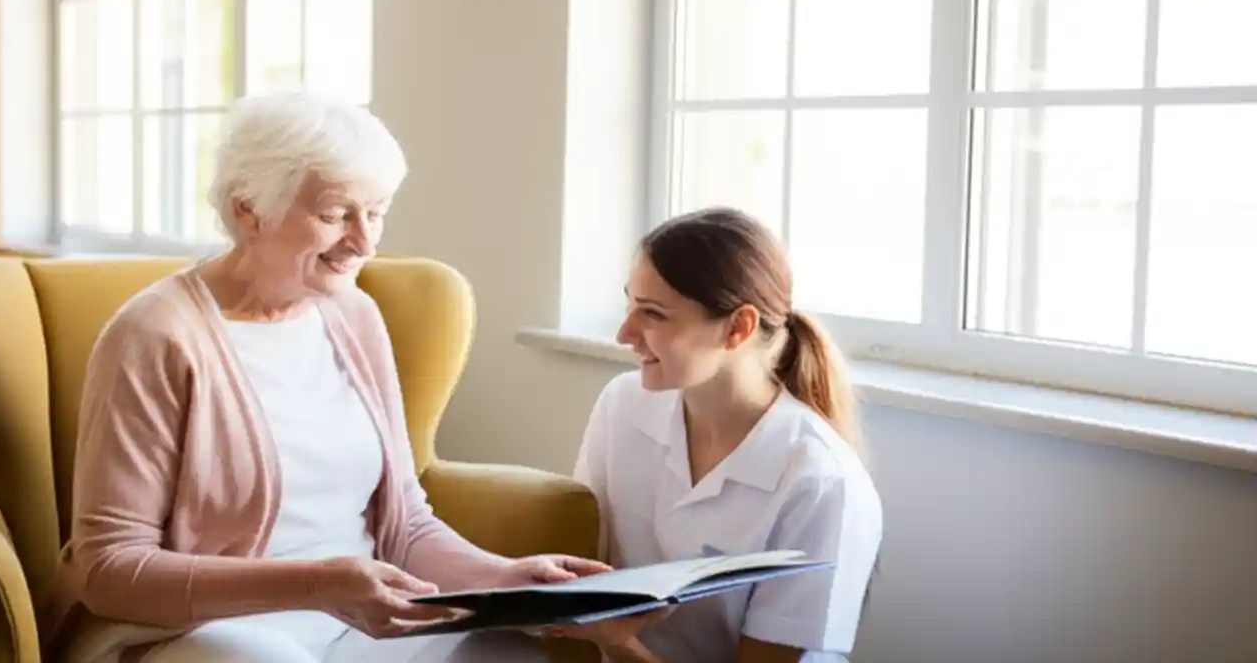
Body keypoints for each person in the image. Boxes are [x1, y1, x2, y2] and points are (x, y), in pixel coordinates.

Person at [45, 91, 608, 663]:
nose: (363, 242)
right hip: (197, 635)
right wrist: (320, 586)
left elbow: (405, 524)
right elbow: (110, 568)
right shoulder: (155, 335)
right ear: (249, 209)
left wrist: (509, 577)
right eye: (336, 214)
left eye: (378, 212)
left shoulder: (354, 314)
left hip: (358, 624)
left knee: (508, 652)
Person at [563, 208, 883, 662]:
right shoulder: (623, 405)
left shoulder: (823, 484)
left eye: (653, 314)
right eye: (630, 305)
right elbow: (584, 563)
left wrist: (616, 642)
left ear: (738, 327)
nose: (624, 333)